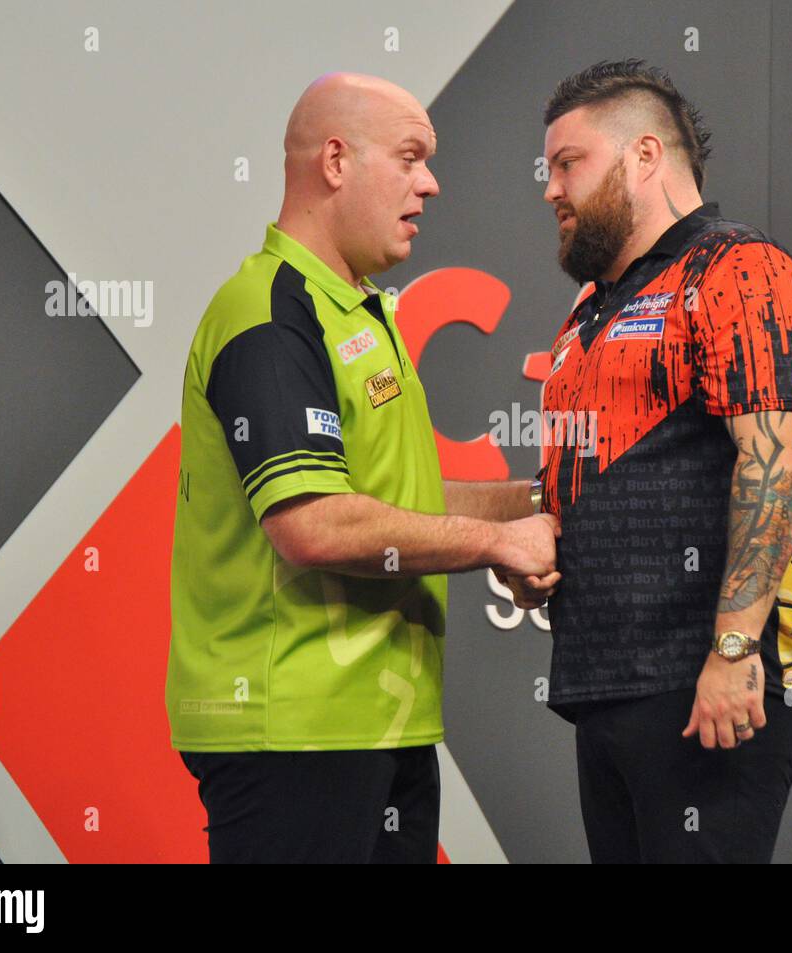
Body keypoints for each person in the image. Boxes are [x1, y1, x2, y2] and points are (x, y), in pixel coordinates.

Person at [165, 72, 556, 864]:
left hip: (380, 725)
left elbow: (391, 502)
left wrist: (532, 504)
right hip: (293, 731)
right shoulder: (271, 311)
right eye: (412, 158)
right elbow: (311, 523)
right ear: (336, 162)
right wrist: (499, 546)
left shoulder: (362, 308)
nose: (432, 183)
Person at [502, 59, 792, 863]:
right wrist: (524, 551)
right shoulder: (590, 311)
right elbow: (575, 488)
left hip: (708, 680)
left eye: (567, 164)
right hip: (606, 681)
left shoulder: (739, 269)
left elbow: (776, 460)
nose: (551, 190)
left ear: (643, 156)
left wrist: (733, 650)